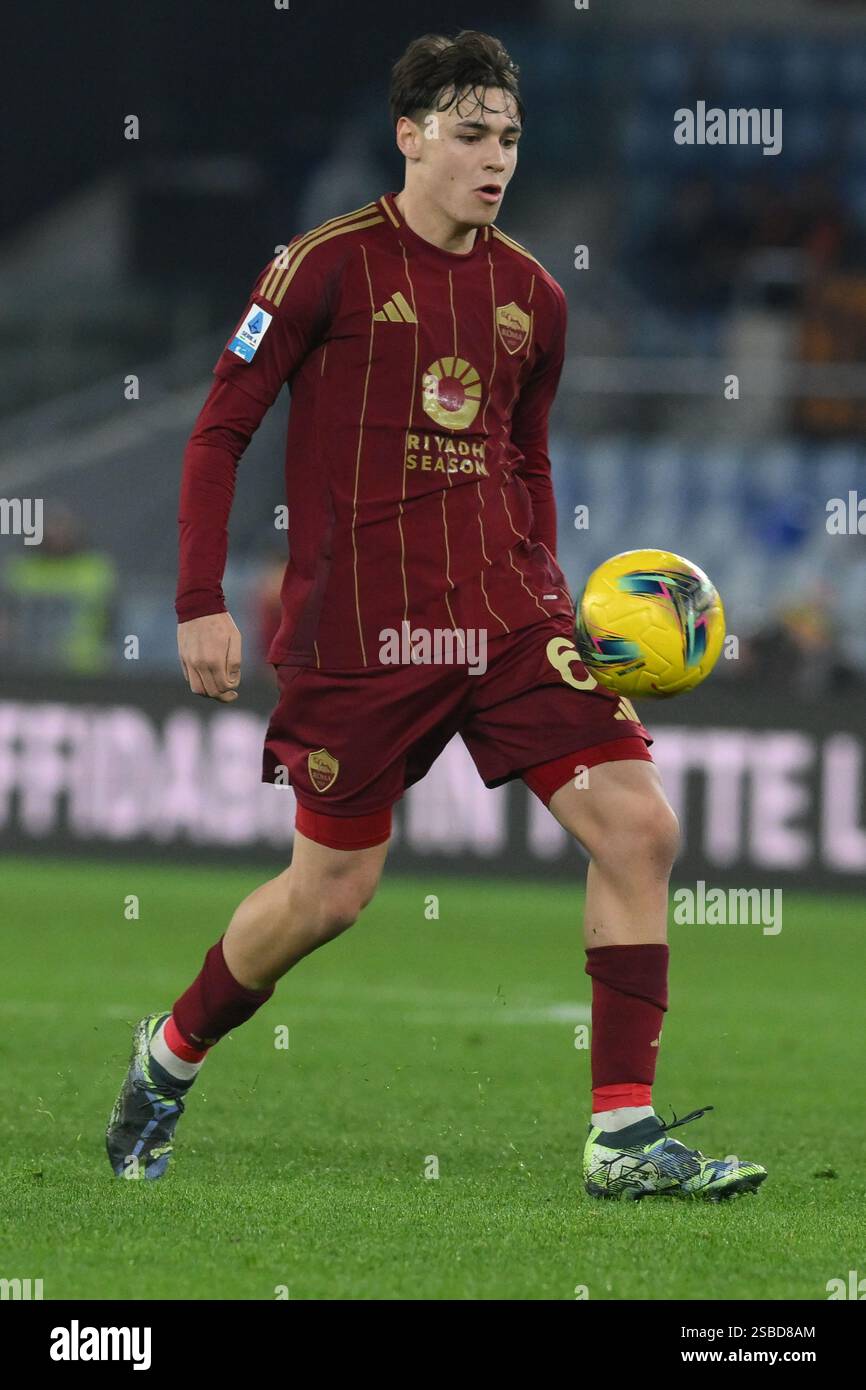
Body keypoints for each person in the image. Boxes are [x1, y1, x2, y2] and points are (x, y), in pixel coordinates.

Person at [106, 29, 766, 1201]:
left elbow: (526, 462)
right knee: (330, 896)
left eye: (508, 136)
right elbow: (218, 430)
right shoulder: (322, 265)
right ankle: (167, 1055)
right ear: (409, 138)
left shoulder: (533, 298)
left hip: (508, 617)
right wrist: (198, 600)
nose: (494, 158)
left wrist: (556, 605)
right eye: (469, 134)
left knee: (638, 828)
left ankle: (620, 1137)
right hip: (359, 629)